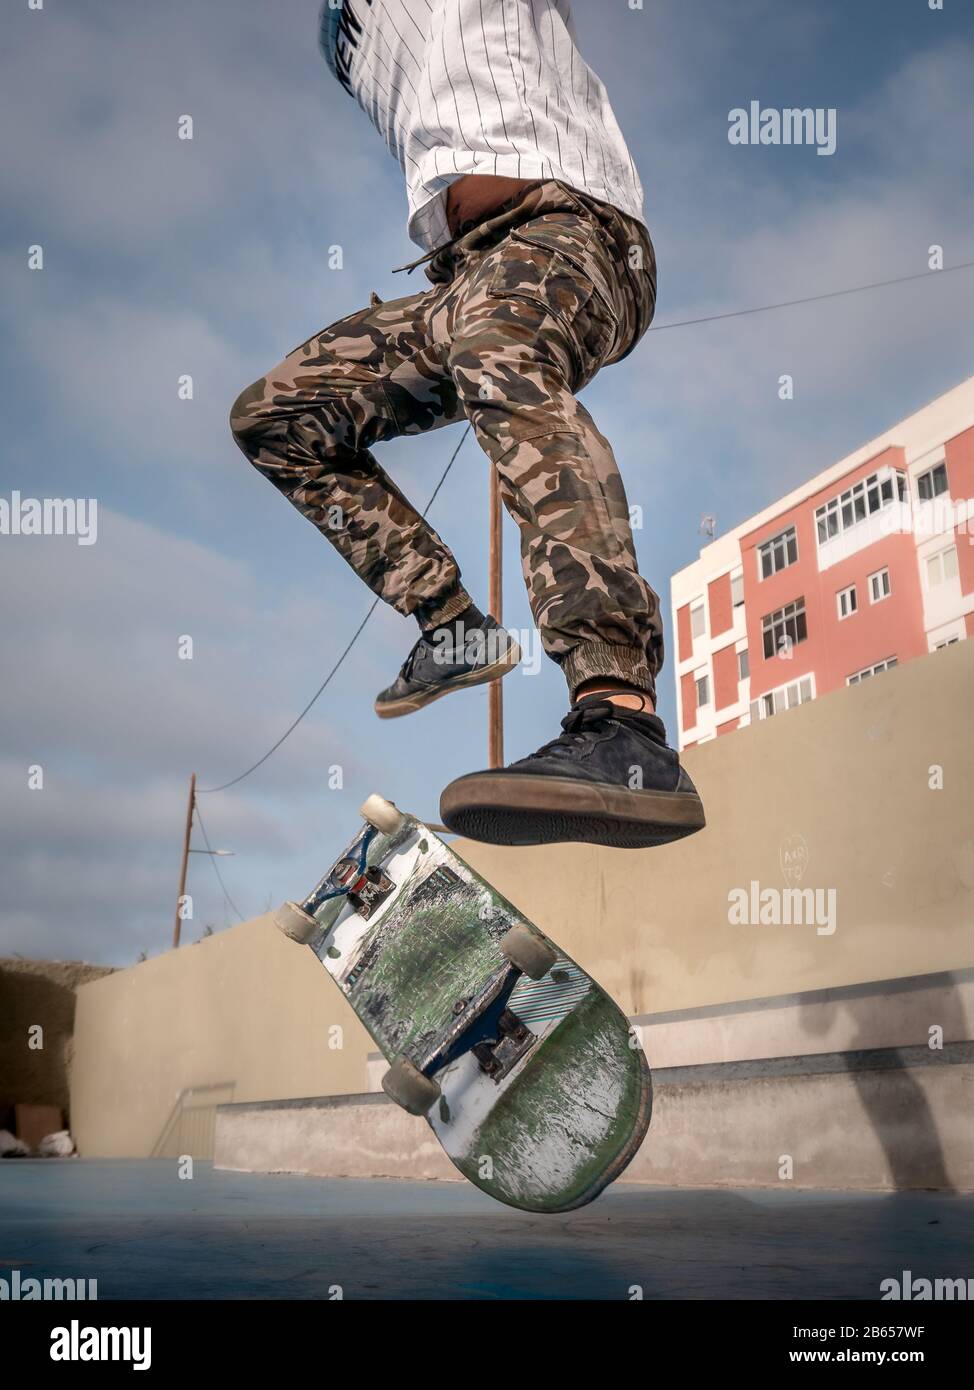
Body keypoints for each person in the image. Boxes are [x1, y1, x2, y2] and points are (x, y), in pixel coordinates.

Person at [230, 0, 705, 850]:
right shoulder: (337, 34)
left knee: (498, 336)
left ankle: (621, 715)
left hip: (579, 232)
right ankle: (449, 623)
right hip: (463, 277)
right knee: (278, 416)